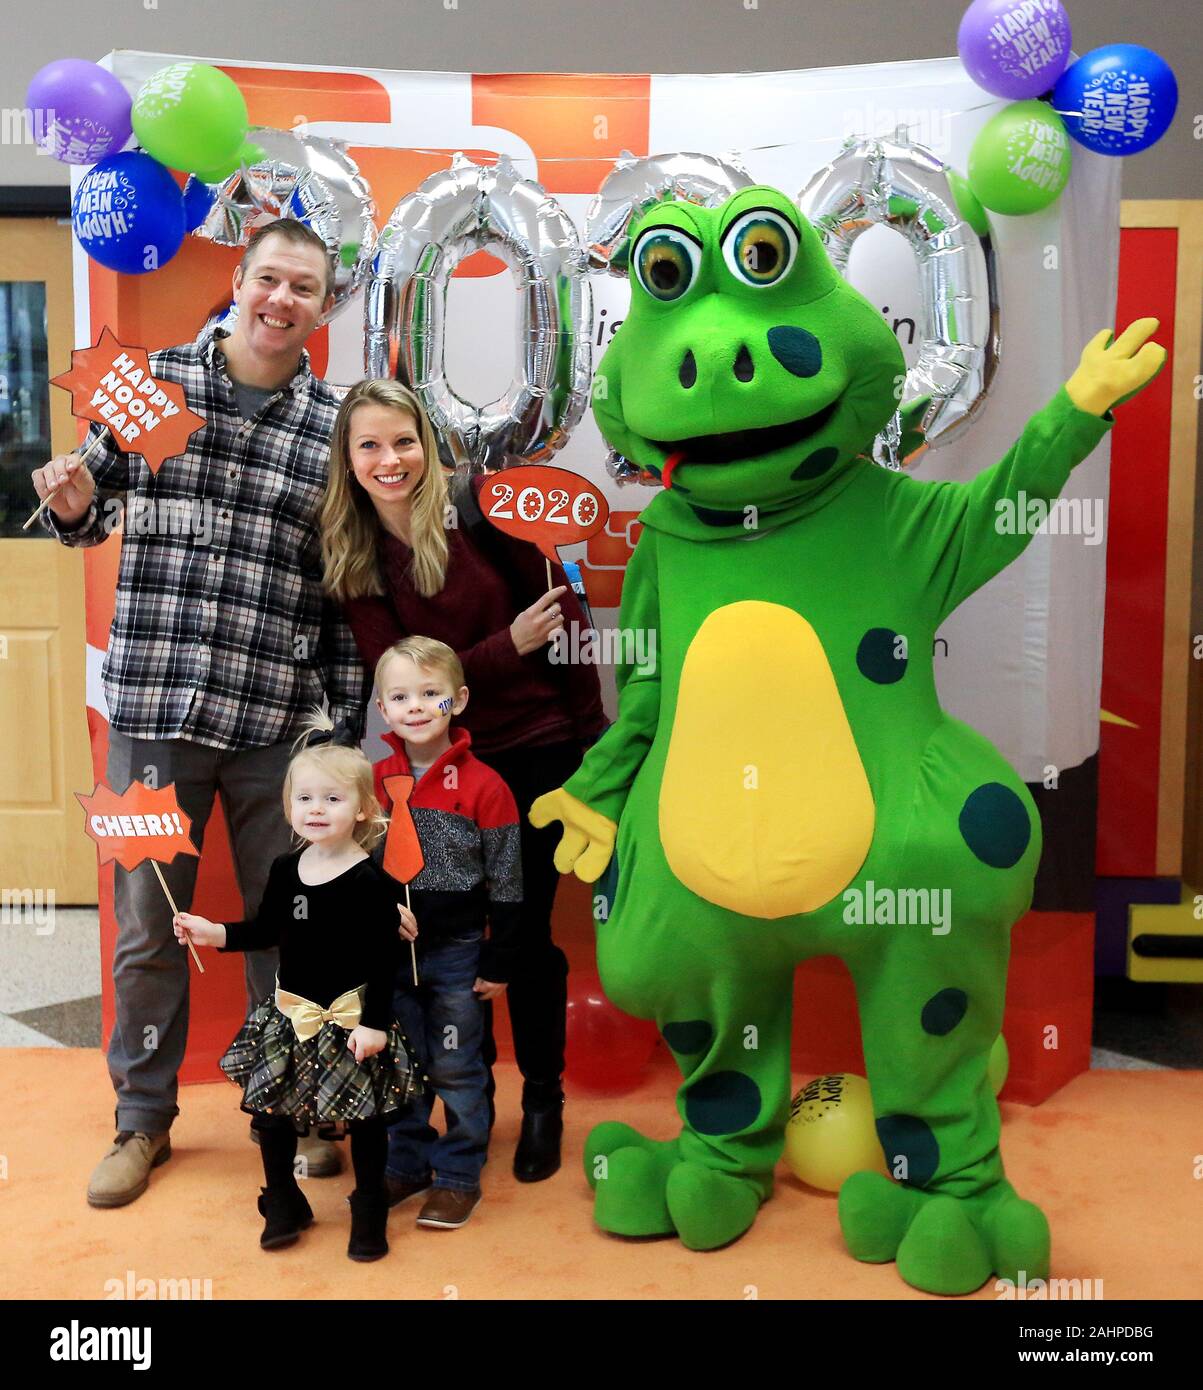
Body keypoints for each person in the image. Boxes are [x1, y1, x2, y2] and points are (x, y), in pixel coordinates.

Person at [32, 218, 363, 1205]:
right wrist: (70, 495)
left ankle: (299, 1106)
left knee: (286, 928)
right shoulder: (151, 386)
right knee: (145, 930)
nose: (281, 301)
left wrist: (342, 737)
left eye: (304, 288)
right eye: (269, 279)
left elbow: (343, 591)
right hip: (152, 708)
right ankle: (142, 1122)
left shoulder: (333, 427)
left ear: (321, 305)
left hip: (280, 723)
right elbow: (83, 517)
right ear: (240, 277)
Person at [320, 378, 606, 1182]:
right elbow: (398, 676)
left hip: (538, 752)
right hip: (439, 770)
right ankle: (444, 1112)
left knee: (527, 937)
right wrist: (499, 649)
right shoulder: (354, 554)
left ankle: (543, 1102)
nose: (389, 459)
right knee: (446, 942)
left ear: (428, 443)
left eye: (403, 441)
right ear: (348, 458)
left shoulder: (485, 508)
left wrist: (593, 748)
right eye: (369, 445)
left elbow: (562, 623)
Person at [172, 714, 421, 1261]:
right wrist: (215, 932)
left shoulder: (370, 883)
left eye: (331, 799)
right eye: (304, 797)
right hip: (291, 1015)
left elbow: (383, 961)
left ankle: (369, 1207)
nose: (314, 809)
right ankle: (283, 1199)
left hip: (354, 1020)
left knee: (366, 1119)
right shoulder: (287, 869)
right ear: (288, 805)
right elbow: (265, 931)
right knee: (273, 1113)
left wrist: (376, 1024)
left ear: (361, 809)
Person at [371, 637, 521, 1226]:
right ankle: (404, 1165)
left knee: (456, 1065)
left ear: (456, 701)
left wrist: (500, 960)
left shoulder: (486, 786)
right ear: (382, 708)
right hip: (390, 957)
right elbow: (350, 867)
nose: (415, 706)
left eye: (430, 694)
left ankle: (459, 1172)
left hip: (458, 954)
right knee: (401, 1062)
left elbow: (508, 880)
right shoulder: (371, 782)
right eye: (400, 696)